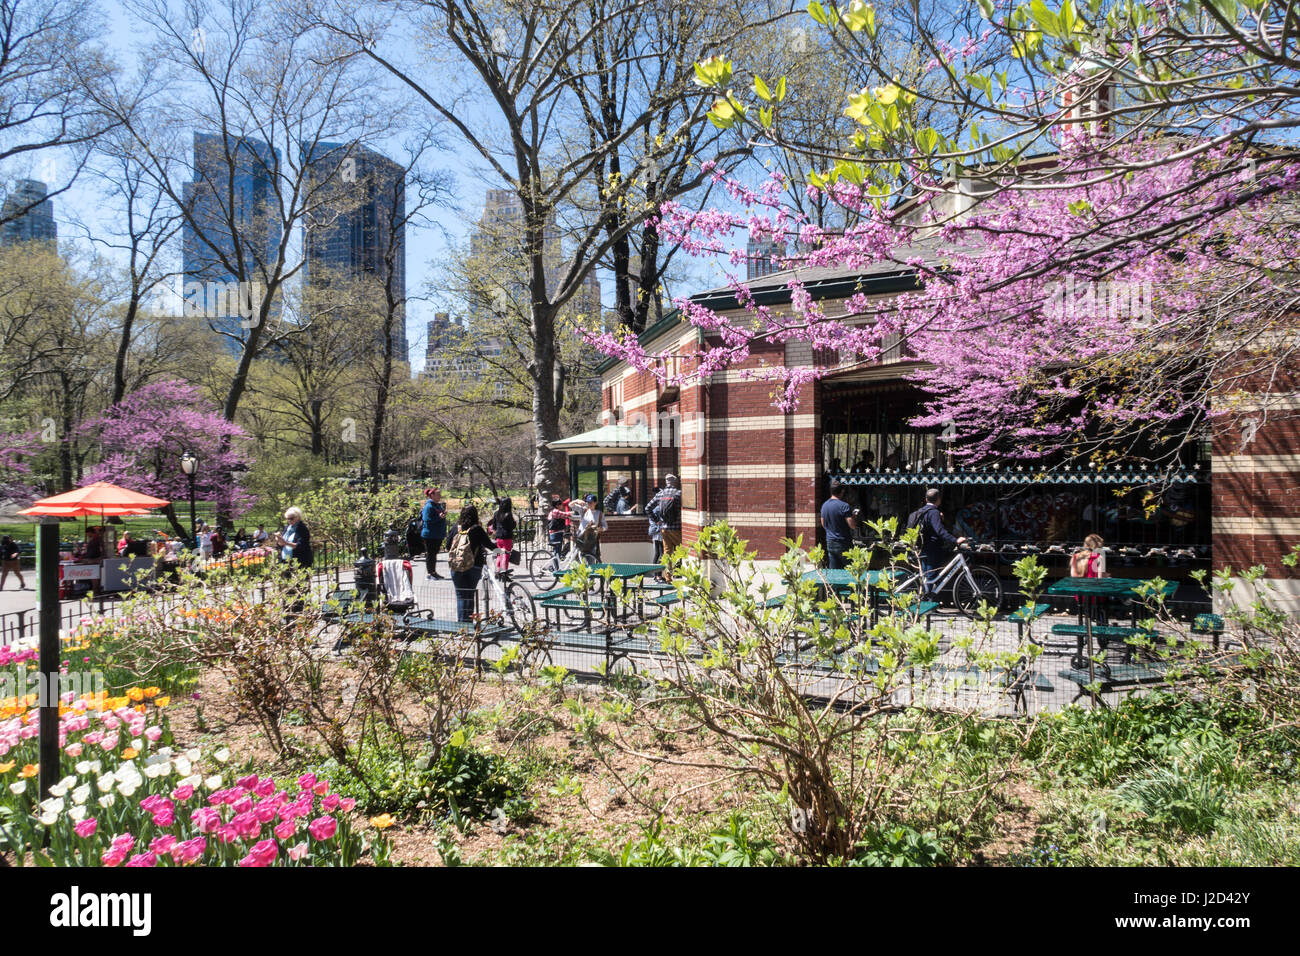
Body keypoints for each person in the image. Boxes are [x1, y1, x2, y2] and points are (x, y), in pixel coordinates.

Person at [907, 488, 967, 597]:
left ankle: (926, 599)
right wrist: (955, 540)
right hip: (932, 548)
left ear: (926, 499)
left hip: (921, 547)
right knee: (930, 576)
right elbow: (940, 531)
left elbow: (930, 528)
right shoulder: (934, 512)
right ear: (939, 499)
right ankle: (926, 600)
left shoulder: (922, 511)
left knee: (926, 576)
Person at [444, 505, 496, 622]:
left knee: (460, 596)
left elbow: (447, 546)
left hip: (456, 567)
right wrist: (502, 552)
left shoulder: (455, 528)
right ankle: (468, 623)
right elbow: (490, 545)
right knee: (470, 595)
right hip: (474, 566)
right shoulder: (477, 529)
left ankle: (462, 626)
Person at [820, 479, 858, 570]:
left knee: (834, 571)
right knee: (850, 570)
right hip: (843, 543)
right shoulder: (844, 506)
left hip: (830, 541)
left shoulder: (824, 505)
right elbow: (852, 525)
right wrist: (854, 517)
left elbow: (823, 524)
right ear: (842, 491)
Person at [646, 475, 682, 572]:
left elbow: (647, 508)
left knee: (667, 553)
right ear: (675, 482)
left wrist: (656, 520)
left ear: (667, 483)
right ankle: (680, 573)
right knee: (682, 551)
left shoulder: (660, 494)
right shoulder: (679, 494)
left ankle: (668, 577)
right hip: (677, 528)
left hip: (664, 529)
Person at [421, 488, 448, 580]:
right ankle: (429, 574)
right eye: (438, 494)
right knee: (430, 554)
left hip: (437, 534)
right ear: (431, 495)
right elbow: (427, 520)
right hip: (430, 535)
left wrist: (442, 515)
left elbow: (439, 516)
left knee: (434, 554)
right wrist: (439, 517)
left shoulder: (437, 505)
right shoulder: (428, 506)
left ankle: (434, 572)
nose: (440, 496)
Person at [486, 497, 517, 575]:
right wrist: (514, 523)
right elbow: (511, 526)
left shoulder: (496, 513)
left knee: (499, 554)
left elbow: (494, 526)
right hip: (507, 537)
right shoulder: (508, 514)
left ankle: (498, 570)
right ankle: (503, 571)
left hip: (498, 537)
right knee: (506, 554)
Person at [575, 494, 607, 562]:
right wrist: (577, 501)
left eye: (591, 502)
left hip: (591, 541)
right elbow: (570, 505)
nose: (589, 504)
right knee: (579, 560)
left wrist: (599, 529)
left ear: (595, 503)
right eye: (588, 502)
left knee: (591, 561)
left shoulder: (600, 514)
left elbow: (605, 527)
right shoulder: (584, 510)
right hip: (581, 539)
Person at [546, 494, 570, 563]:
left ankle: (555, 566)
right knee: (557, 551)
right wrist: (574, 513)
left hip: (555, 534)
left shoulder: (553, 511)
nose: (562, 505)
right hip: (556, 533)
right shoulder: (556, 511)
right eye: (560, 504)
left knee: (557, 551)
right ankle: (555, 567)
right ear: (557, 505)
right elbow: (566, 514)